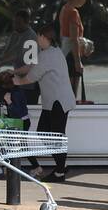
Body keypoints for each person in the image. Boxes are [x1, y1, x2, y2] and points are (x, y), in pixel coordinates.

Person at [13, 23, 76, 182]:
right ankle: (61, 165)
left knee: (56, 136)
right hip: (53, 102)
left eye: (38, 37)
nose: (36, 40)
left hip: (58, 102)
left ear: (43, 37)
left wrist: (16, 81)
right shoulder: (52, 52)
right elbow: (33, 66)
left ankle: (60, 171)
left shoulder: (48, 55)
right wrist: (15, 72)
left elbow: (32, 76)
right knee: (46, 133)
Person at [58, 0, 89, 97]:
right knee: (71, 93)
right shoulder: (73, 13)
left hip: (64, 53)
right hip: (71, 55)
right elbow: (74, 39)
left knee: (65, 91)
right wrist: (78, 62)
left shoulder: (64, 8)